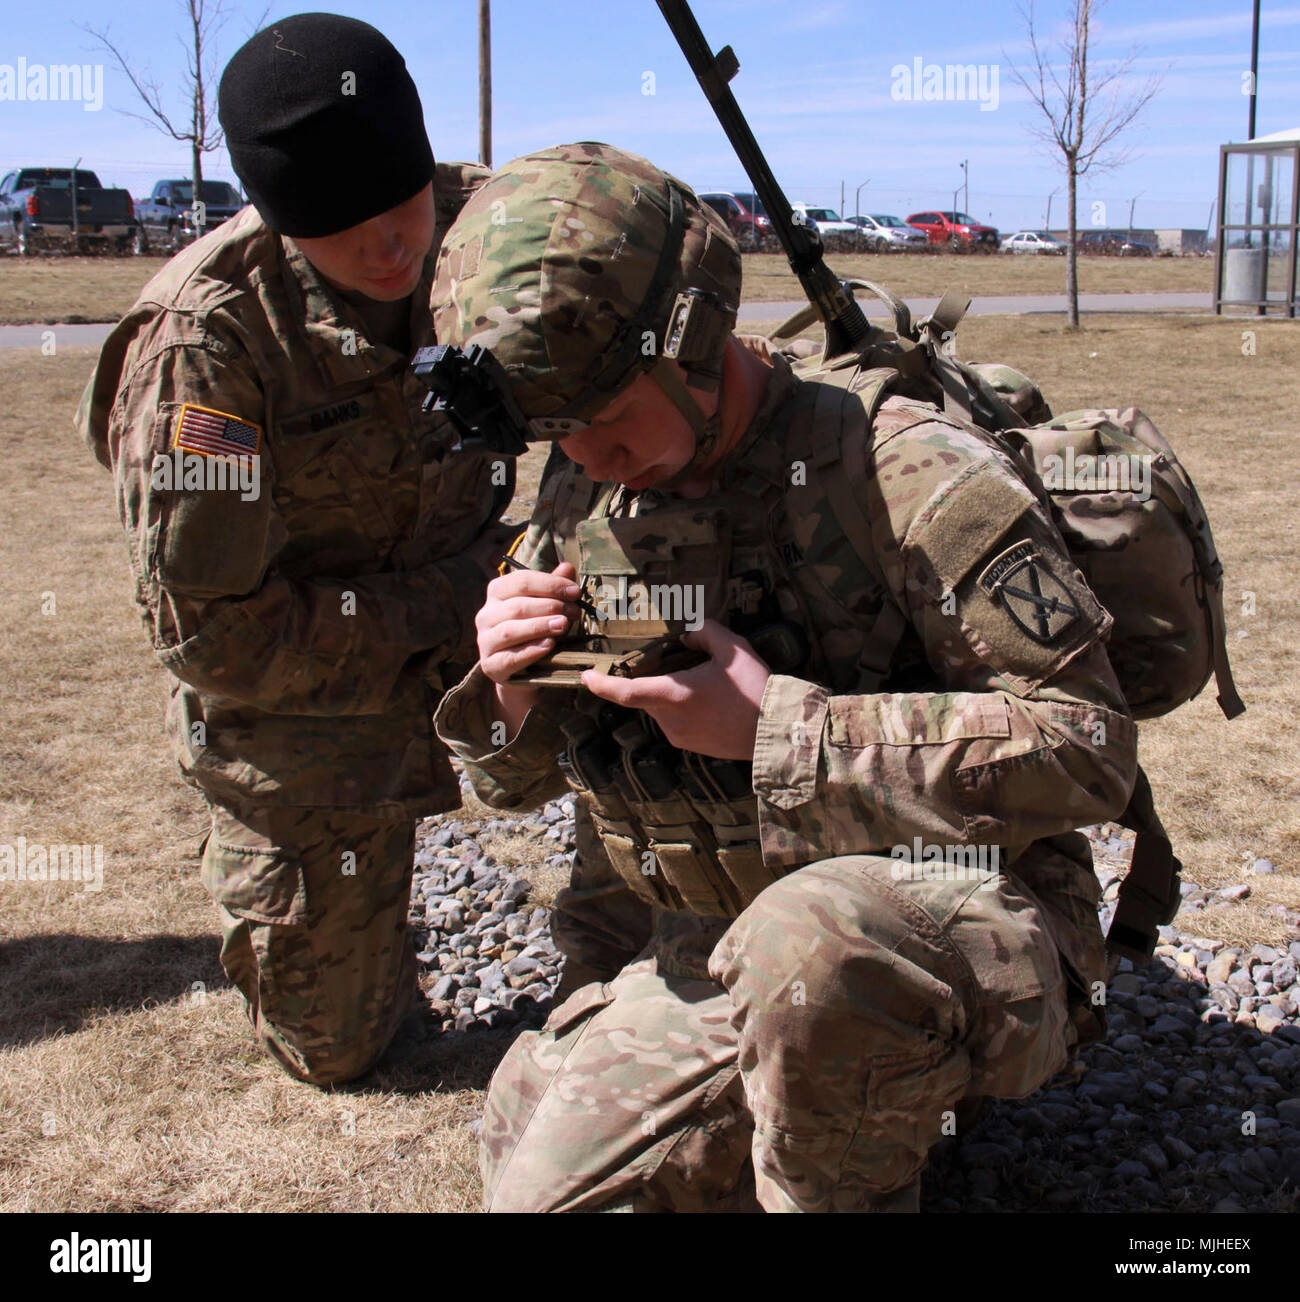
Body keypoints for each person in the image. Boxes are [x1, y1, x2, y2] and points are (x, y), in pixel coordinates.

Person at [429, 142, 1140, 1213]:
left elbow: (1089, 749)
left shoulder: (902, 467)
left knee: (807, 946)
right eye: (557, 434)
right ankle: (813, 1087)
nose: (591, 457)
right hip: (715, 952)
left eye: (609, 418)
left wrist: (779, 733)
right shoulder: (586, 488)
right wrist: (509, 689)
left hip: (969, 923)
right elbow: (508, 785)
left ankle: (868, 1106)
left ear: (691, 344)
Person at [77, 13, 517, 1086]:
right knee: (338, 1049)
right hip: (307, 713)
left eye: (403, 203)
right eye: (341, 226)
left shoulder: (494, 239)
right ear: (279, 220)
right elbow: (218, 639)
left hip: (481, 626)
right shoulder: (207, 349)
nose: (390, 249)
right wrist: (459, 598)